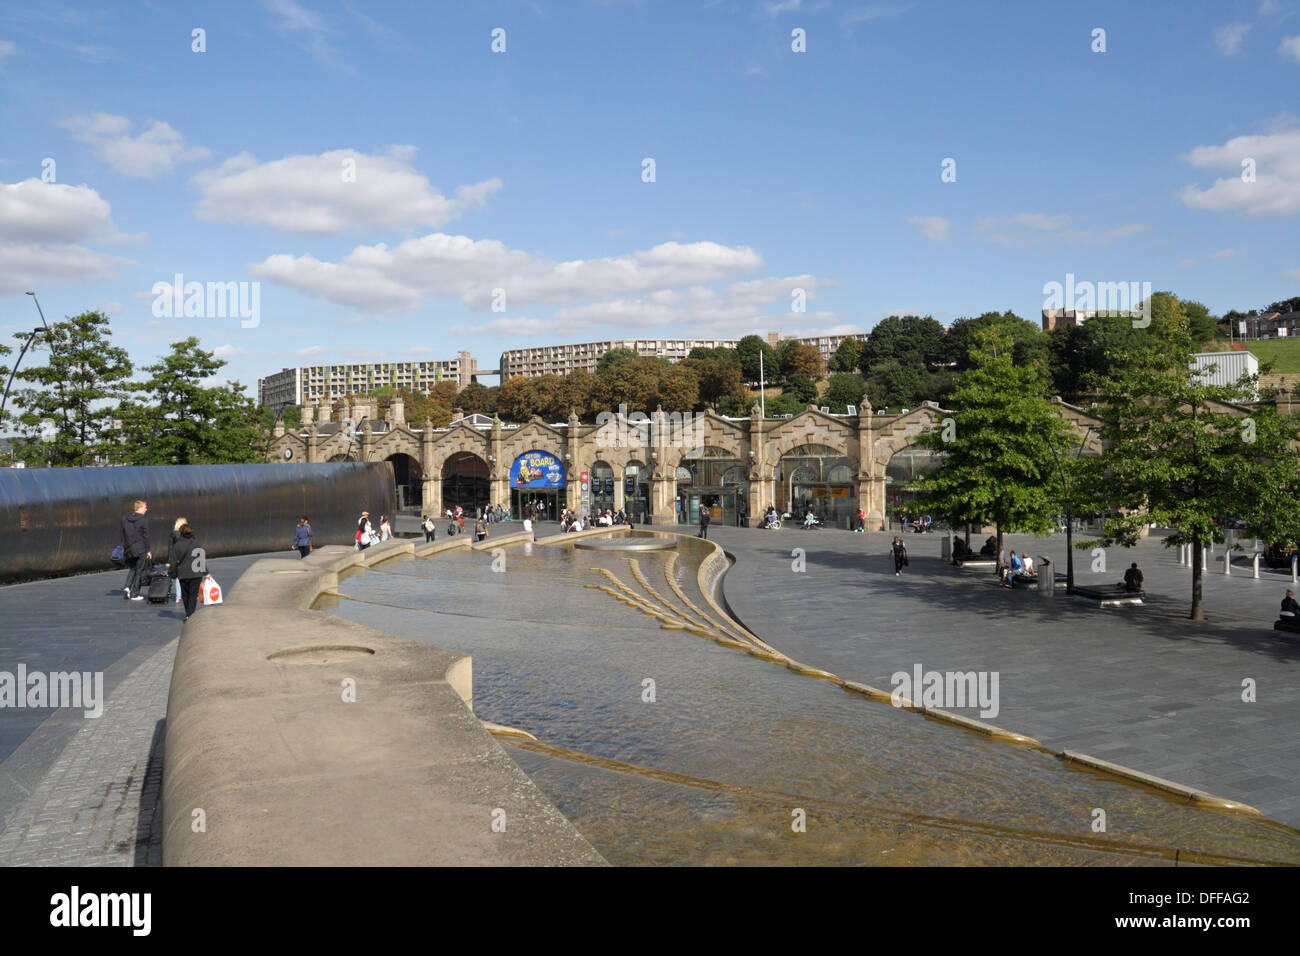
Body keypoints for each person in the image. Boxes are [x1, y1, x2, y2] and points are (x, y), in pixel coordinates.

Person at [168, 522, 206, 620]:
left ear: (180, 533)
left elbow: (173, 561)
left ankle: (188, 613)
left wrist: (171, 572)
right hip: (196, 573)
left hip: (183, 573)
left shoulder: (177, 546)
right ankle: (190, 614)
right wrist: (206, 572)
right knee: (193, 595)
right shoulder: (197, 543)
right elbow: (201, 558)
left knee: (185, 595)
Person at [120, 499, 152, 601]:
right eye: (145, 507)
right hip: (140, 548)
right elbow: (146, 536)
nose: (146, 509)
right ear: (140, 508)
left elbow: (122, 533)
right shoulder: (143, 519)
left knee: (132, 569)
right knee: (139, 571)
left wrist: (125, 546)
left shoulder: (125, 518)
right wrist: (148, 550)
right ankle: (135, 594)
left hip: (129, 548)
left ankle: (127, 587)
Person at [169, 516, 188, 603]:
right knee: (188, 576)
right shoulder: (186, 534)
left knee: (178, 578)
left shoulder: (173, 534)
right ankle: (188, 594)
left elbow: (170, 548)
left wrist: (170, 560)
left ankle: (178, 597)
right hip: (185, 557)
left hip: (176, 558)